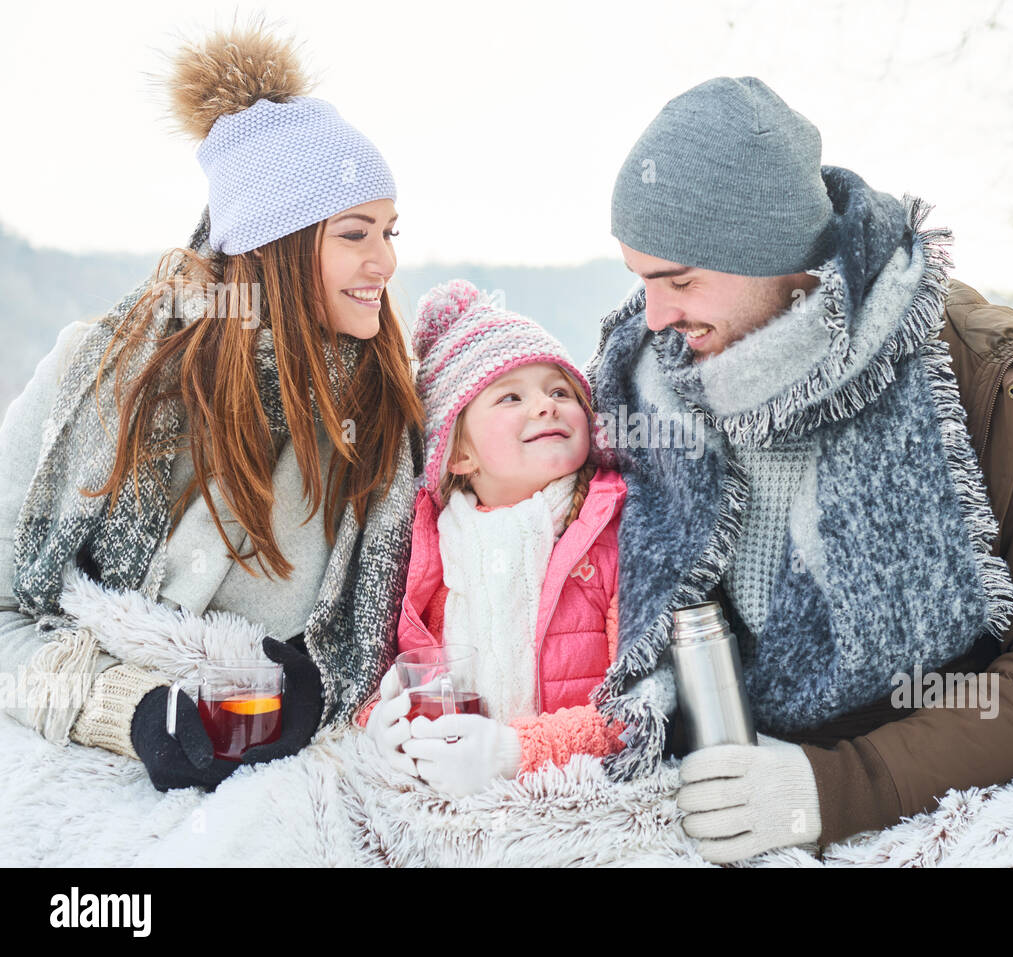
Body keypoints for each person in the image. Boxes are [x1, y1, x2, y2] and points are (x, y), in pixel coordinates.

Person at [586, 77, 1013, 863]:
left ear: (780, 258)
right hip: (715, 809)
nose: (653, 318)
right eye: (640, 279)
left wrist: (834, 787)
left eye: (679, 281)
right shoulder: (648, 385)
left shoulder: (985, 378)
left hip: (945, 805)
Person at [0, 25, 424, 792]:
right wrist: (124, 710)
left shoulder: (385, 412)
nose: (386, 262)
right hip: (68, 786)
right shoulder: (95, 379)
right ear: (276, 245)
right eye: (356, 233)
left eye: (390, 232)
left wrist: (317, 689)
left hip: (276, 802)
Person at [364, 281, 626, 795]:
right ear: (458, 455)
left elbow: (638, 709)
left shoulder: (610, 534)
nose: (545, 406)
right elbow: (408, 674)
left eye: (560, 391)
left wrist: (511, 753)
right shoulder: (434, 550)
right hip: (460, 802)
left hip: (577, 797)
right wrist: (382, 723)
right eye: (511, 396)